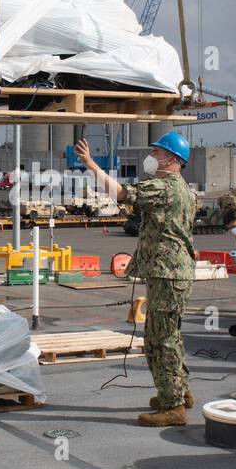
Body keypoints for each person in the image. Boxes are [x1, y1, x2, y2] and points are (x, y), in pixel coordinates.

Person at [77, 132, 196, 427]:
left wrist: (91, 164)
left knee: (161, 339)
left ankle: (173, 406)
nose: (151, 157)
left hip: (167, 273)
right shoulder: (183, 190)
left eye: (156, 153)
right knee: (169, 335)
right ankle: (179, 391)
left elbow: (121, 194)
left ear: (172, 159)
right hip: (170, 272)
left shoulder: (165, 188)